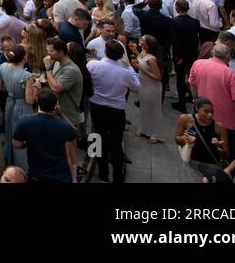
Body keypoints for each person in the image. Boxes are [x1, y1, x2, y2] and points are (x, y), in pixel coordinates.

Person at [86, 40, 140, 183]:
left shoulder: (93, 65)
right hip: (117, 111)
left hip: (97, 107)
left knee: (97, 137)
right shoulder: (125, 72)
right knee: (116, 143)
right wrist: (129, 68)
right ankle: (117, 176)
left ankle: (102, 172)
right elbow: (137, 87)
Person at [12, 88, 78, 183]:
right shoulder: (65, 127)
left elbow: (16, 144)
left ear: (37, 100)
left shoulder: (25, 121)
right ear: (56, 105)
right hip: (60, 176)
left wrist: (28, 143)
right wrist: (61, 114)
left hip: (36, 175)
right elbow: (74, 132)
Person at [173, 98, 229, 178]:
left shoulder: (219, 127)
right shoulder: (185, 119)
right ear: (197, 108)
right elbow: (177, 140)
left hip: (211, 168)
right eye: (206, 111)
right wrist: (185, 139)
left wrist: (218, 147)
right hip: (190, 163)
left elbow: (226, 154)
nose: (210, 115)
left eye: (212, 112)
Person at [132, 35, 163, 142]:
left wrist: (140, 68)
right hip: (143, 84)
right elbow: (141, 59)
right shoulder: (142, 52)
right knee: (144, 108)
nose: (140, 40)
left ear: (147, 44)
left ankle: (155, 135)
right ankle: (144, 129)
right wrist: (135, 51)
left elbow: (158, 77)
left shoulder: (152, 59)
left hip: (152, 86)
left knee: (154, 110)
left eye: (142, 40)